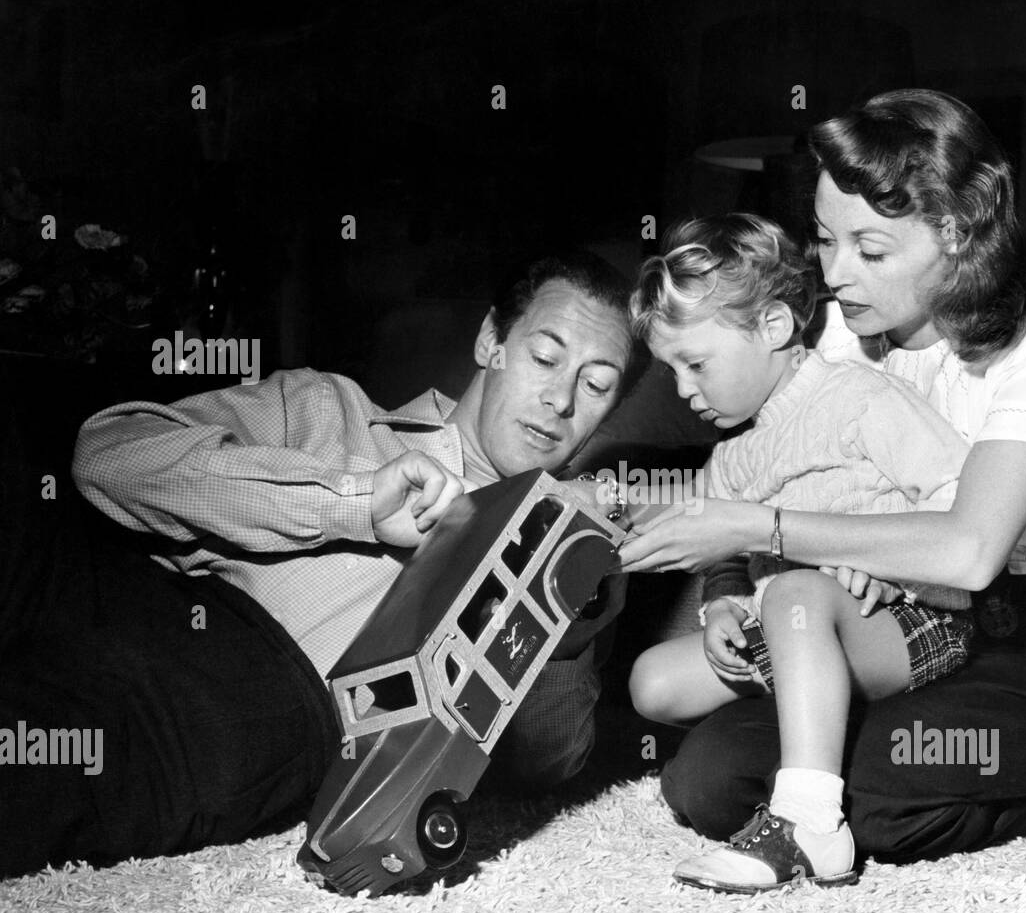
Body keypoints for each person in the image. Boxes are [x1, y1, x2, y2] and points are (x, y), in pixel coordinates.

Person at [617, 89, 1026, 879]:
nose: (836, 274)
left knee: (878, 797)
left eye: (872, 249)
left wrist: (760, 528)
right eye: (825, 240)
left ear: (955, 234)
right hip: (879, 627)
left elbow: (967, 551)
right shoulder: (836, 329)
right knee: (707, 780)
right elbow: (715, 388)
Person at [0, 251, 639, 880]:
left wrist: (563, 598)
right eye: (546, 357)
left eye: (596, 384)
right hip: (100, 572)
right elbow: (107, 456)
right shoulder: (325, 406)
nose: (560, 398)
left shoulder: (573, 554)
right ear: (490, 341)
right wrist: (353, 501)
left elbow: (545, 765)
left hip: (245, 693)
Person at [625, 213, 975, 893]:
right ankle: (806, 725)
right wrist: (724, 602)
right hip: (794, 627)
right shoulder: (728, 458)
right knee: (653, 681)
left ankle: (810, 823)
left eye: (696, 363)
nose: (683, 389)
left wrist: (884, 565)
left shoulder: (860, 398)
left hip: (914, 620)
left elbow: (961, 505)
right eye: (671, 370)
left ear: (776, 328)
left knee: (794, 593)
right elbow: (724, 554)